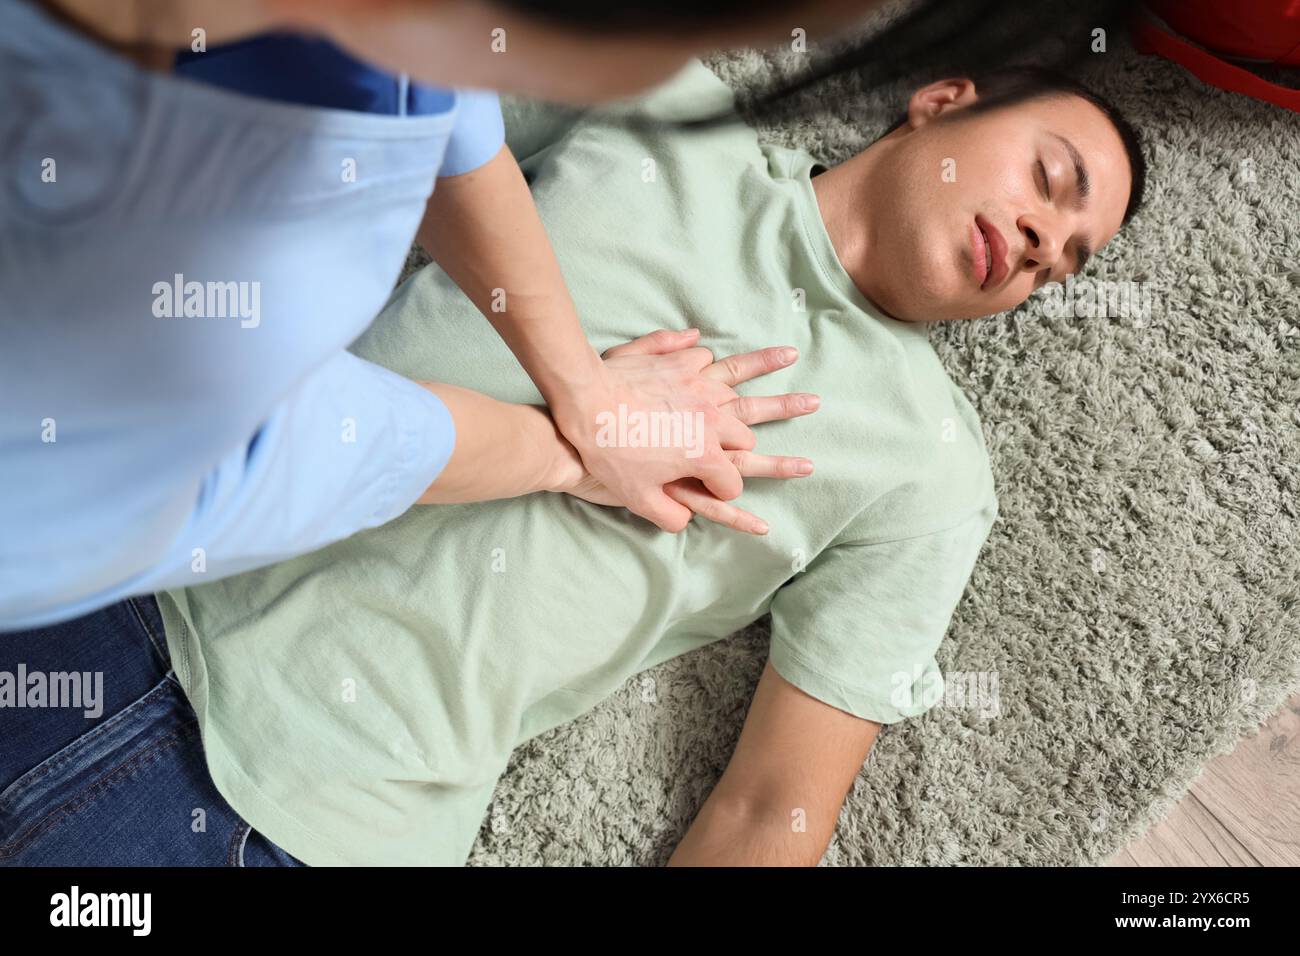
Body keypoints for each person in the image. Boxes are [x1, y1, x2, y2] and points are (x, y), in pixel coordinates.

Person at [0, 59, 1145, 866]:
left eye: (1066, 263)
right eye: (1050, 179)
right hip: (121, 550)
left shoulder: (930, 469)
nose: (1045, 244)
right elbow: (399, 111)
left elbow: (770, 810)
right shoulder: (663, 101)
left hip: (307, 817)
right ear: (941, 101)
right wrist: (588, 417)